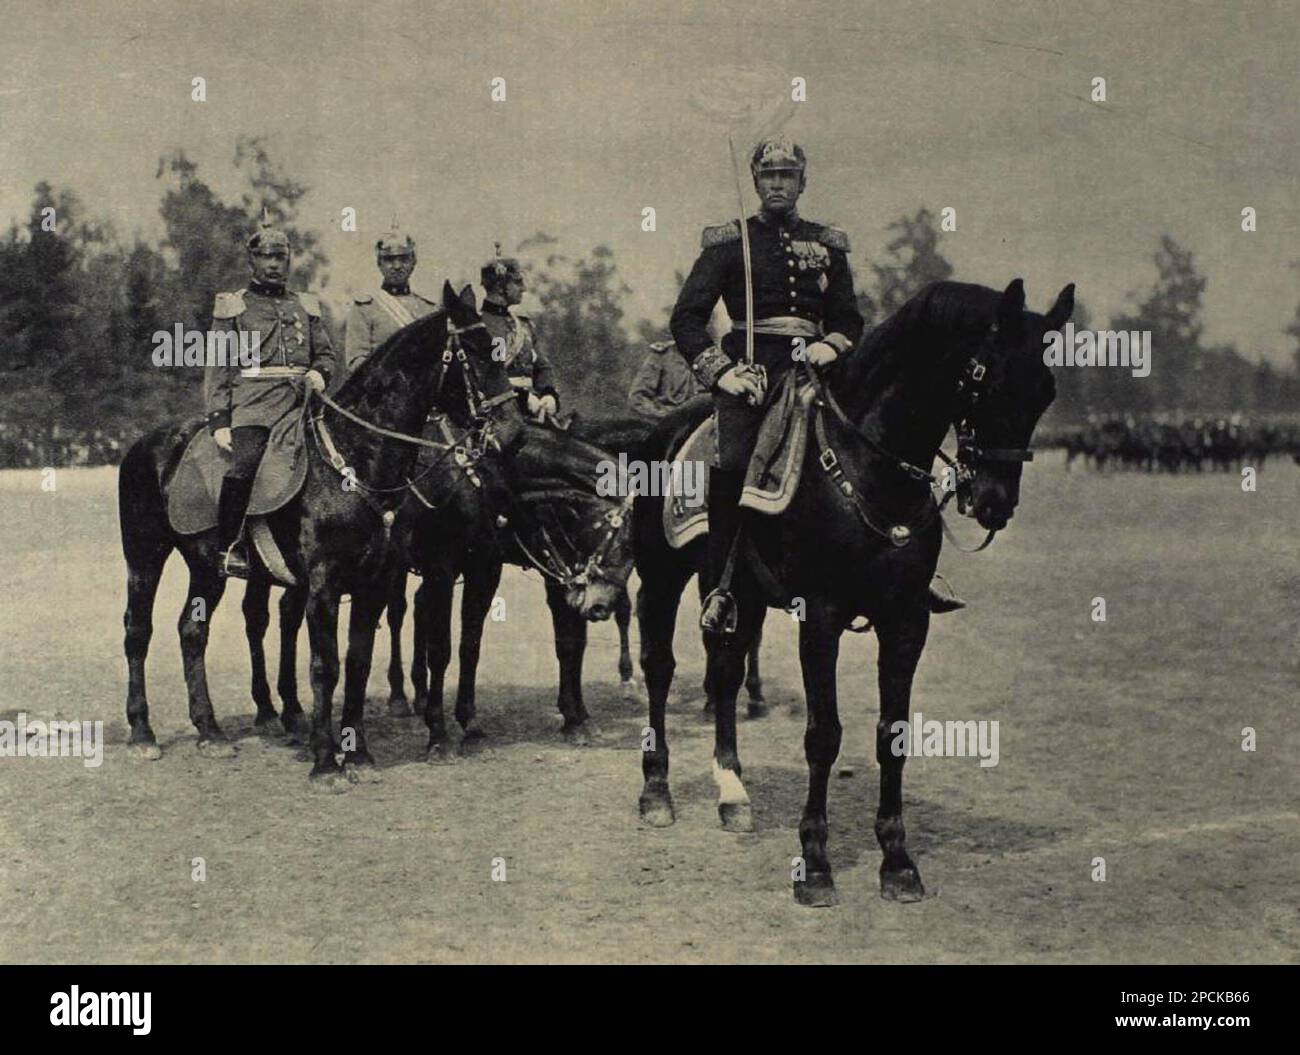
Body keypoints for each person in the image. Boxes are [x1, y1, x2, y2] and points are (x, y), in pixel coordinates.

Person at [670, 135, 961, 633]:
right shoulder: (729, 243)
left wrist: (833, 344)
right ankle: (723, 586)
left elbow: (849, 317)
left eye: (788, 175)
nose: (778, 184)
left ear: (803, 182)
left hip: (820, 373)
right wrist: (723, 372)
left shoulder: (827, 244)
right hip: (754, 379)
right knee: (735, 462)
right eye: (769, 175)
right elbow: (687, 319)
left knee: (893, 448)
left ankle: (913, 567)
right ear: (756, 182)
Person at [205, 217, 336, 578]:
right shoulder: (234, 307)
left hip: (304, 405)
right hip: (255, 408)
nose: (275, 264)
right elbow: (218, 367)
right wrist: (219, 419)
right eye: (267, 257)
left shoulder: (305, 307)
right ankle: (229, 546)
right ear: (253, 262)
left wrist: (318, 373)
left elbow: (326, 355)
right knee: (244, 465)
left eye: (281, 257)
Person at [343, 226, 439, 373]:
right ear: (379, 264)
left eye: (404, 259)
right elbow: (356, 361)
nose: (397, 266)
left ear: (414, 262)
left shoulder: (428, 309)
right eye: (389, 260)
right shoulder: (364, 309)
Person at [479, 249, 559, 423]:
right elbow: (485, 378)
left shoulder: (524, 324)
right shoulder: (479, 327)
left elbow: (542, 366)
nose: (523, 289)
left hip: (536, 412)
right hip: (499, 416)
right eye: (517, 283)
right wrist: (522, 398)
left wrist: (548, 393)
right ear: (500, 287)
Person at [627, 338, 702, 417]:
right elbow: (637, 398)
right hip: (671, 421)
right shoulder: (662, 356)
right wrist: (663, 415)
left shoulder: (708, 354)